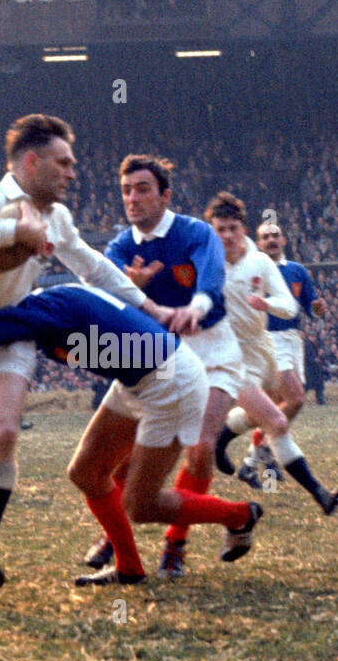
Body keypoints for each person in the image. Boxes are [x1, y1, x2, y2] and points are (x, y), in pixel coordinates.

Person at [0, 114, 163, 590]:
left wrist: (149, 306)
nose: (72, 172)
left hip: (5, 337)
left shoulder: (57, 218)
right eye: (63, 163)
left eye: (72, 163)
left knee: (2, 433)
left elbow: (94, 268)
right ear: (30, 161)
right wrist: (14, 233)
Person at [0, 283, 263, 585]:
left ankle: (241, 515)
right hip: (139, 380)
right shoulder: (40, 310)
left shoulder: (43, 309)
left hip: (169, 382)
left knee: (140, 505)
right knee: (85, 473)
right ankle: (129, 568)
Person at [98, 154, 240, 579]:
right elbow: (105, 295)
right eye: (126, 190)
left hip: (212, 351)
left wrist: (196, 307)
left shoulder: (195, 232)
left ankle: (175, 544)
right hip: (160, 355)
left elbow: (211, 280)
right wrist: (130, 291)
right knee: (121, 463)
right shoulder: (121, 247)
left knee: (199, 450)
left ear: (165, 195)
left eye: (142, 189)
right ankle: (116, 536)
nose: (133, 198)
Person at [204, 192, 338, 513]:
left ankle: (222, 442)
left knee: (272, 412)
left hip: (263, 347)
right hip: (229, 356)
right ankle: (320, 494)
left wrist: (266, 303)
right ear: (211, 230)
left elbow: (289, 305)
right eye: (220, 229)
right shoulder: (204, 263)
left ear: (243, 229)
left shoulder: (259, 263)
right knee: (278, 419)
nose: (227, 236)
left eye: (233, 228)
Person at [222, 218, 328, 482]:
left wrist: (317, 310)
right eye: (265, 237)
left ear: (283, 241)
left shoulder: (298, 271)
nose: (271, 240)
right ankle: (264, 450)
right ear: (258, 243)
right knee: (296, 398)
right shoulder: (254, 268)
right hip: (268, 339)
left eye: (275, 235)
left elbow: (309, 307)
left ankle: (248, 460)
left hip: (293, 339)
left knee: (266, 410)